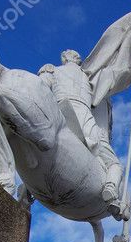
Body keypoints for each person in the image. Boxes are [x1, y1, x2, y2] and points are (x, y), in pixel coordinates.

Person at [39, 49, 123, 215]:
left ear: (64, 59)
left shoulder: (52, 69)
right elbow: (114, 78)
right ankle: (111, 190)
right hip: (84, 117)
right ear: (78, 60)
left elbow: (40, 88)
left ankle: (26, 189)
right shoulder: (89, 79)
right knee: (113, 163)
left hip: (57, 112)